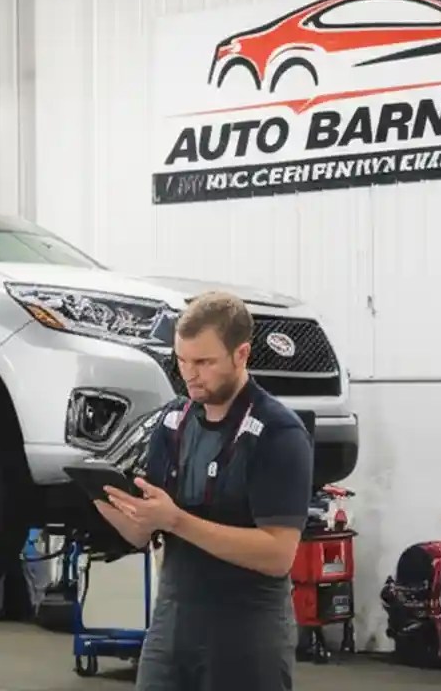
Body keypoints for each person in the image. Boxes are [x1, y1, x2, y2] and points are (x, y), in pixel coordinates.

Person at [94, 291, 314, 690]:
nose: (190, 374)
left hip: (246, 632)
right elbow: (148, 533)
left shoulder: (278, 434)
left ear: (241, 354)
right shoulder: (172, 423)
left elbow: (278, 554)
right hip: (172, 624)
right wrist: (121, 511)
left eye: (204, 362)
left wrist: (176, 520)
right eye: (181, 361)